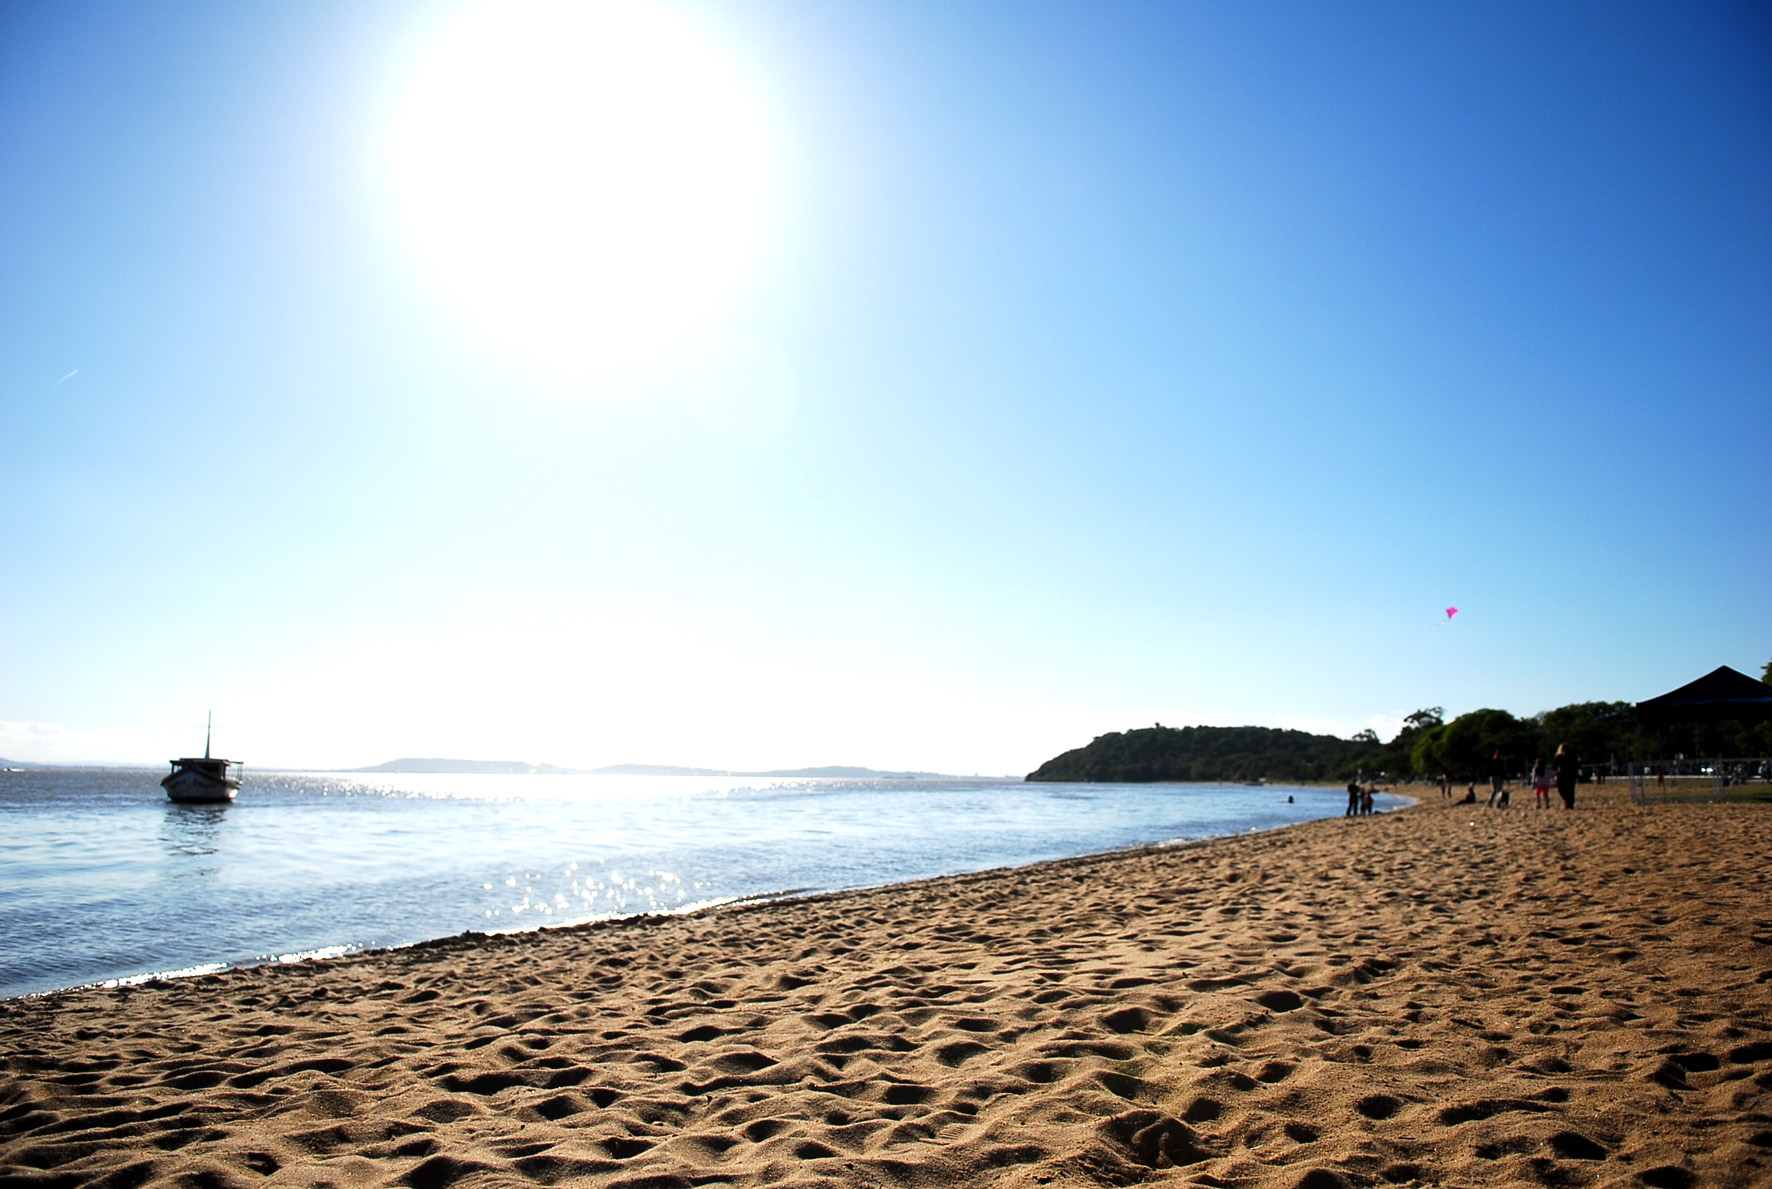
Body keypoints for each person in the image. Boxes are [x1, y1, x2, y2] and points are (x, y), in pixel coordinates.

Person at [1553, 744, 1579, 810]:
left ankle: (1568, 802)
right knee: (1570, 790)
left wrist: (1555, 772)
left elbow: (1554, 767)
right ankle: (1570, 803)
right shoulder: (1573, 756)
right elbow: (1578, 765)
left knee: (1562, 789)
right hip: (1571, 774)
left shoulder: (1559, 756)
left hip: (1563, 775)